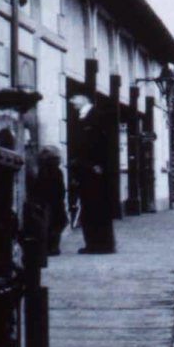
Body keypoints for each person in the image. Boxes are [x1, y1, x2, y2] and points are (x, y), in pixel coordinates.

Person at [68, 93, 116, 254]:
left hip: (96, 170)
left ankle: (103, 244)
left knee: (98, 207)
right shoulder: (80, 117)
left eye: (74, 97)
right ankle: (92, 243)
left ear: (84, 98)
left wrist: (99, 164)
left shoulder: (98, 116)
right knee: (88, 207)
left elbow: (104, 143)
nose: (71, 101)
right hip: (84, 169)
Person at [34, 146, 67, 256]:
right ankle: (53, 247)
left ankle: (51, 247)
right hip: (53, 202)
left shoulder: (43, 171)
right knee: (55, 224)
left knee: (52, 224)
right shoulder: (57, 171)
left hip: (49, 201)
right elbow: (61, 189)